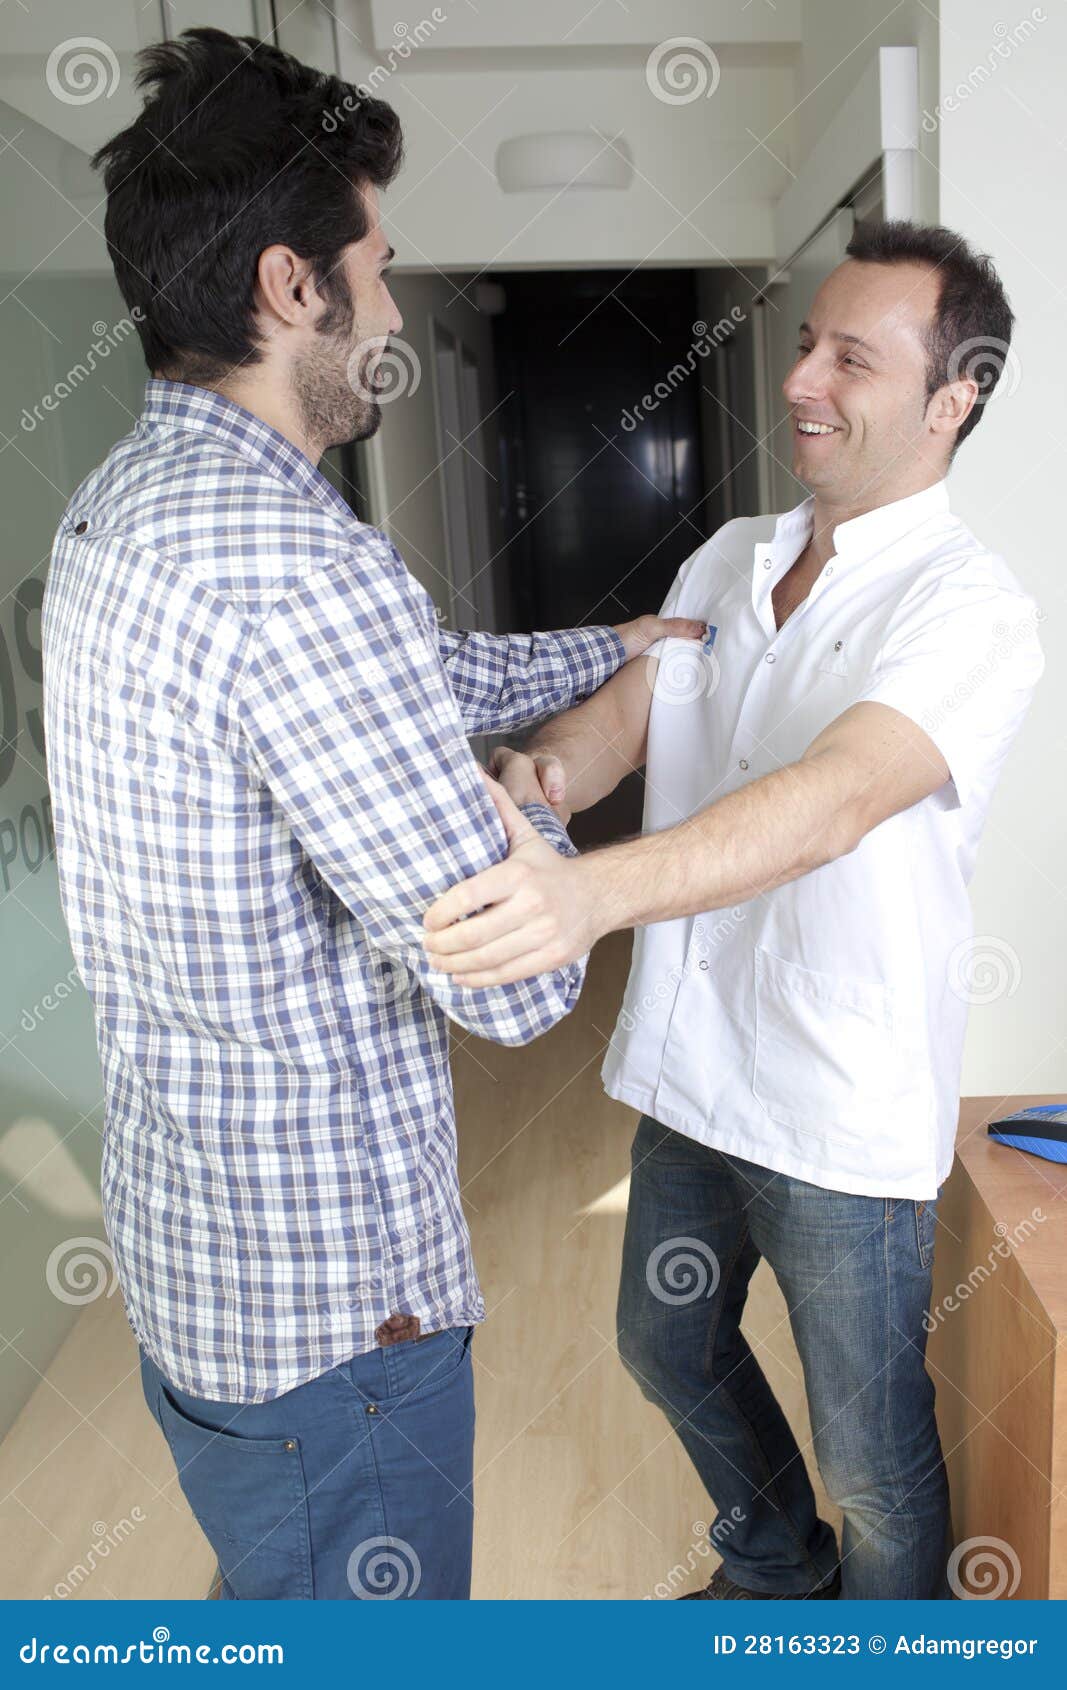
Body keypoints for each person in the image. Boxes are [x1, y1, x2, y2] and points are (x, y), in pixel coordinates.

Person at [40, 28, 703, 1602]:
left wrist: (614, 648)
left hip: (205, 1281)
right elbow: (531, 979)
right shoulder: (297, 565)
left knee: (279, 1606)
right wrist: (530, 792)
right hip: (339, 1323)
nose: (394, 308)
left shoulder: (121, 506)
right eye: (379, 265)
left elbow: (414, 668)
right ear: (292, 286)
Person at [424, 221, 1046, 1599]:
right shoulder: (730, 559)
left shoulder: (973, 611)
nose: (801, 379)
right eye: (808, 341)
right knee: (667, 1342)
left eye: (850, 357)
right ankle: (776, 1565)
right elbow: (636, 713)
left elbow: (831, 800)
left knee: (874, 1445)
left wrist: (584, 893)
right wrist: (545, 779)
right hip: (698, 1073)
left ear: (952, 401)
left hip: (838, 1101)